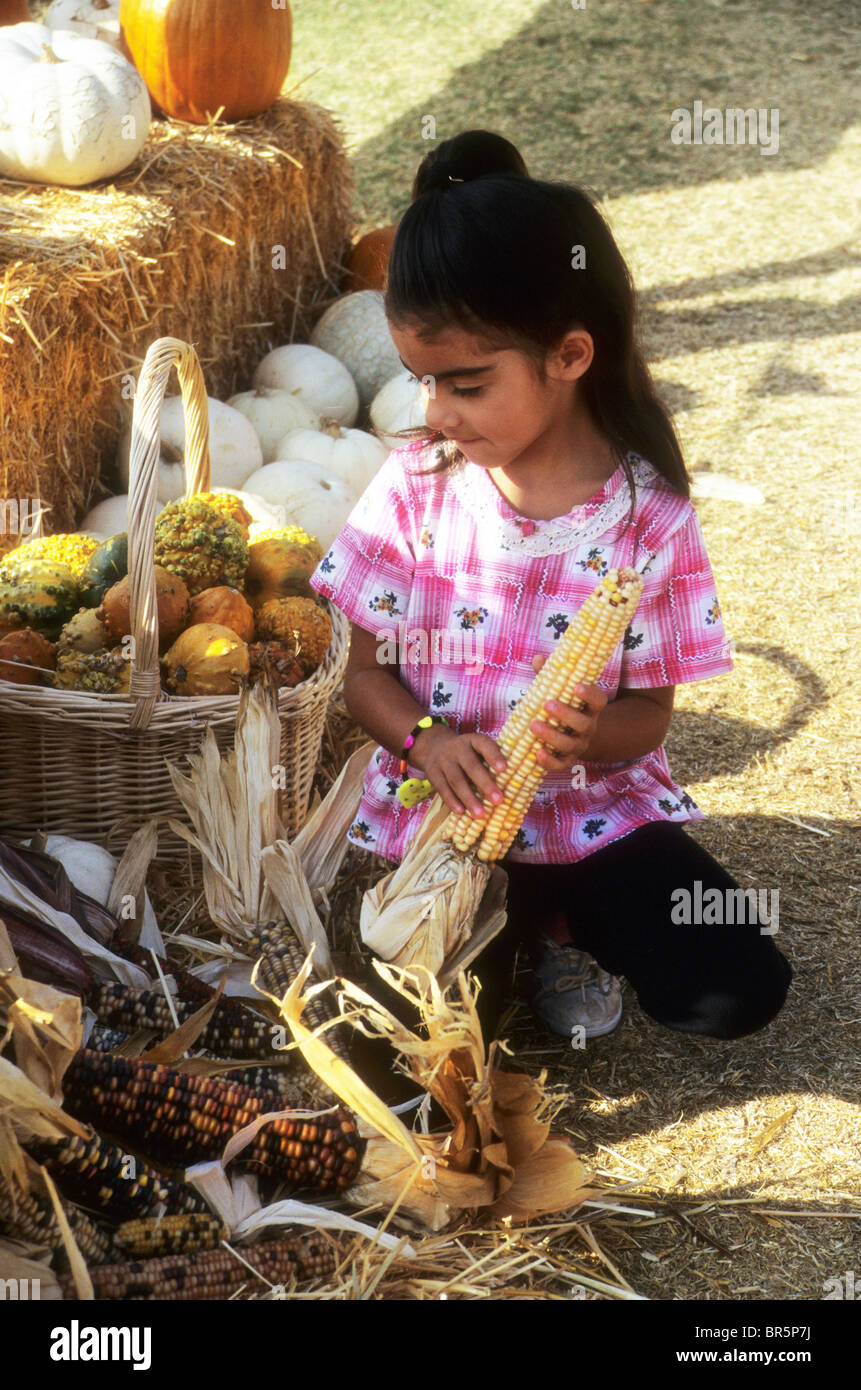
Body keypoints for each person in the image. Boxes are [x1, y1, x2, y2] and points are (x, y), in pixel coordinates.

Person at [310, 129, 792, 1045]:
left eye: (466, 384)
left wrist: (591, 737)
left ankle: (563, 923)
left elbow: (650, 712)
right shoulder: (418, 483)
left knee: (734, 984)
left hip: (589, 815)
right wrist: (426, 740)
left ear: (569, 356)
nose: (433, 412)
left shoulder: (650, 516)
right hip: (447, 818)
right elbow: (362, 672)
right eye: (422, 381)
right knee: (429, 1028)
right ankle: (517, 930)